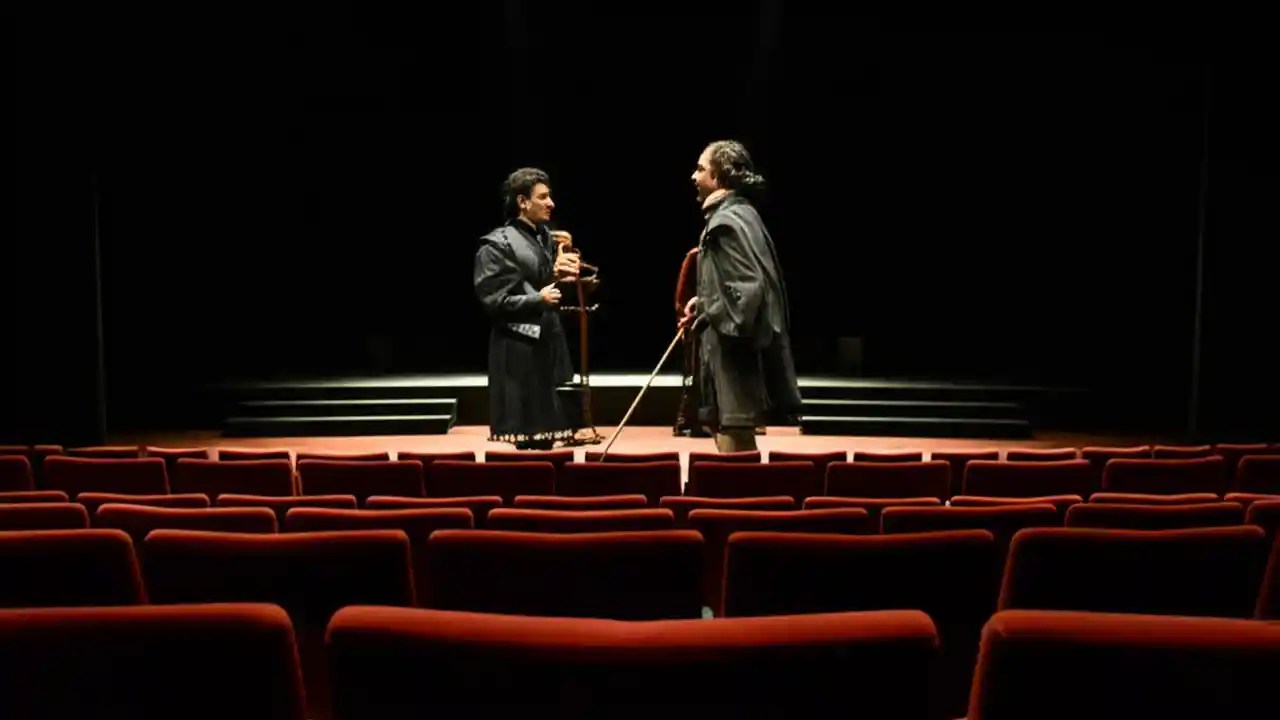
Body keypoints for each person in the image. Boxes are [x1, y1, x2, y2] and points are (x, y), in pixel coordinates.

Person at [680, 140, 802, 452]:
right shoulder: (740, 215)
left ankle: (738, 484)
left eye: (700, 169)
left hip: (733, 354)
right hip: (731, 349)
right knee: (724, 426)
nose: (693, 176)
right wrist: (704, 303)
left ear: (719, 177)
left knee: (735, 433)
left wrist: (714, 315)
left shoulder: (727, 222)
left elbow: (749, 290)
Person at [474, 167, 582, 449]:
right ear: (522, 201)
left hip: (547, 343)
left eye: (550, 196)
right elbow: (493, 302)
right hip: (517, 349)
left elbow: (544, 283)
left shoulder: (544, 238)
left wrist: (561, 275)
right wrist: (538, 299)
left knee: (550, 439)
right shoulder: (497, 245)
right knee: (528, 441)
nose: (551, 203)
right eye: (543, 197)